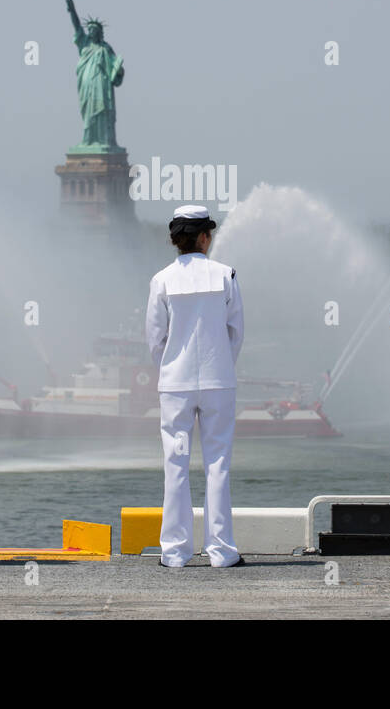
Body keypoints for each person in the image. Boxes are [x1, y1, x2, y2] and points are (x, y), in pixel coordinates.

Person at [145, 205, 245, 568]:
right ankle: (221, 551)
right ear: (204, 237)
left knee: (176, 463)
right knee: (218, 463)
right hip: (218, 381)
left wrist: (171, 370)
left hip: (176, 384)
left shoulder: (162, 280)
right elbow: (236, 332)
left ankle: (174, 553)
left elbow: (155, 338)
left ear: (176, 239)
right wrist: (220, 366)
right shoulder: (225, 275)